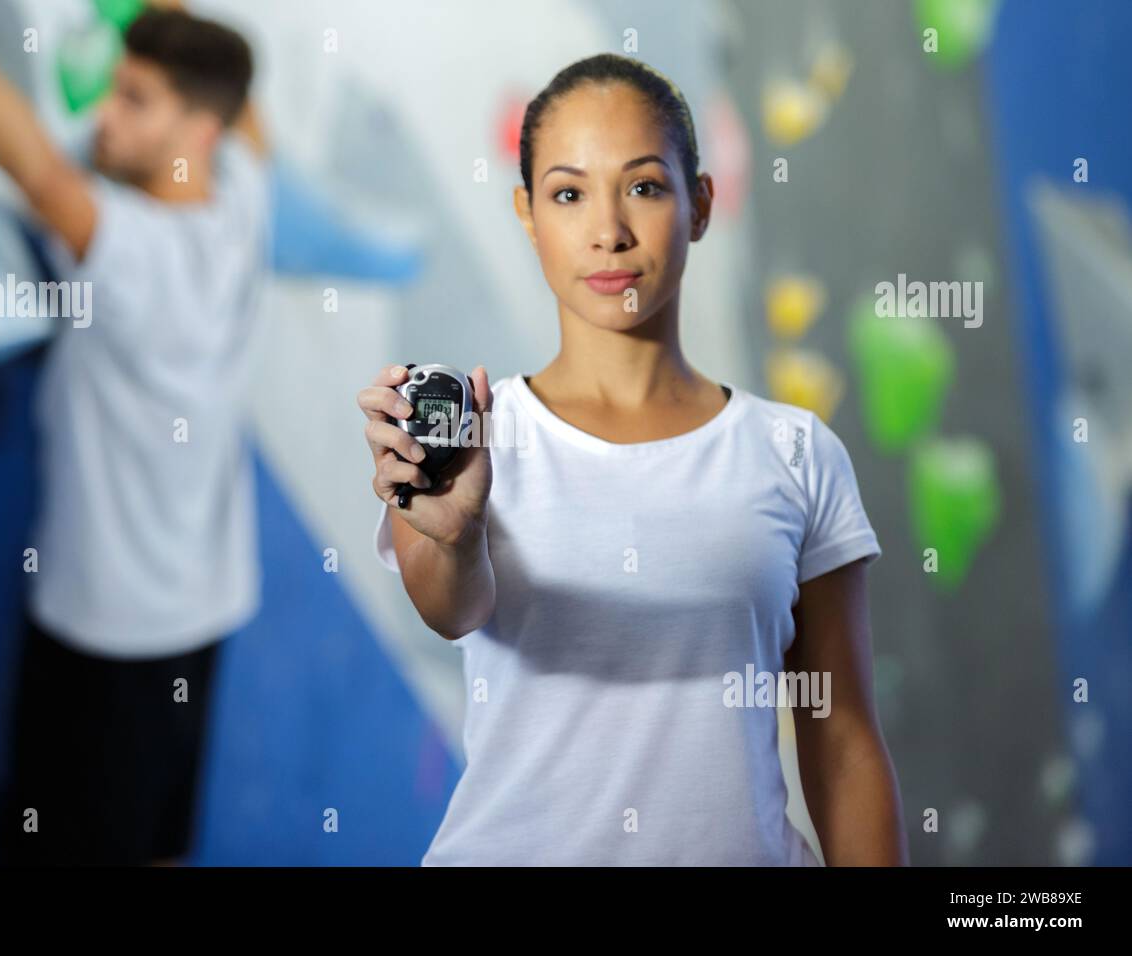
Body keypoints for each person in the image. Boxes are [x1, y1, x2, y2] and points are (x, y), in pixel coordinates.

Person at [357, 53, 907, 866]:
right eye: (568, 194)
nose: (608, 230)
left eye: (644, 186)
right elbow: (450, 610)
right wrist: (457, 535)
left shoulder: (795, 453)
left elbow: (843, 738)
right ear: (526, 213)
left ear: (701, 204)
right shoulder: (466, 437)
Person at [0, 0, 270, 864]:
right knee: (154, 844)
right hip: (203, 609)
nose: (102, 113)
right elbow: (241, 110)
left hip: (107, 631)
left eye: (134, 99)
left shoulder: (138, 255)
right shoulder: (243, 198)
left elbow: (41, 174)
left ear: (197, 131)